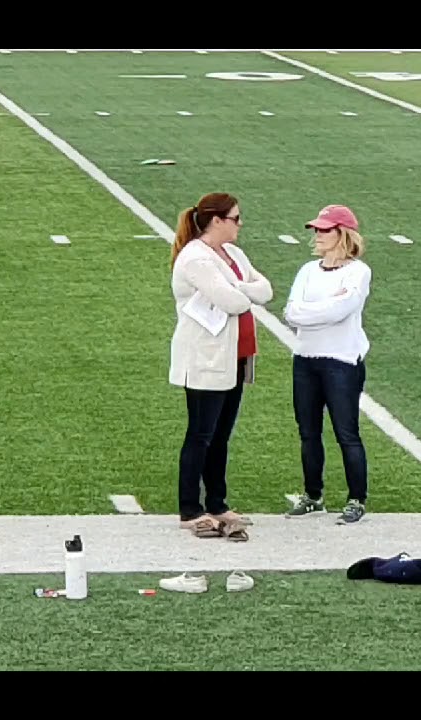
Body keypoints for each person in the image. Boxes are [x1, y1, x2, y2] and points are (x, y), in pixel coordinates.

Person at [168, 192, 272, 542]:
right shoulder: (195, 257)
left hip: (236, 357)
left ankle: (216, 501)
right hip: (205, 358)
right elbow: (232, 301)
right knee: (200, 434)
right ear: (216, 221)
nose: (240, 225)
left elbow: (266, 290)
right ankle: (190, 509)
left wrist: (237, 285)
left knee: (221, 435)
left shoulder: (234, 255)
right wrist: (241, 290)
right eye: (236, 218)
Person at [282, 204, 373, 525]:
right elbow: (291, 311)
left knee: (346, 432)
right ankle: (313, 495)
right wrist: (317, 313)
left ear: (342, 234)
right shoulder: (308, 270)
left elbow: (341, 310)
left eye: (325, 230)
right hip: (306, 359)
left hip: (341, 362)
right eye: (317, 230)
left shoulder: (358, 271)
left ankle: (356, 498)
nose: (318, 236)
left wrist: (312, 314)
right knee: (308, 432)